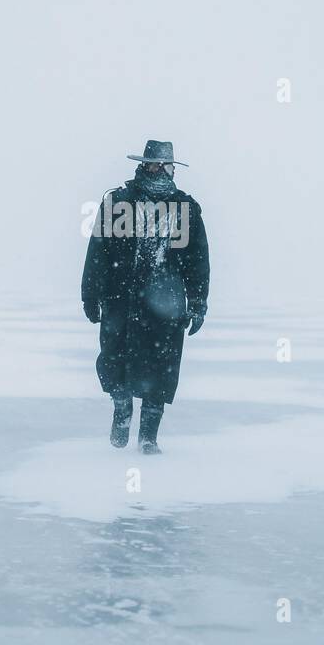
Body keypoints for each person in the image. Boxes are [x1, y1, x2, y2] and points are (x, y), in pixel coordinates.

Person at [82, 140, 210, 454]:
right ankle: (122, 410)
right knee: (115, 360)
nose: (162, 171)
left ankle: (149, 437)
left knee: (161, 369)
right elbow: (98, 251)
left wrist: (197, 302)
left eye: (167, 166)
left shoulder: (186, 208)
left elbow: (198, 260)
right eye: (156, 164)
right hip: (120, 300)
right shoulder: (117, 203)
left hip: (165, 307)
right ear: (144, 165)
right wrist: (90, 295)